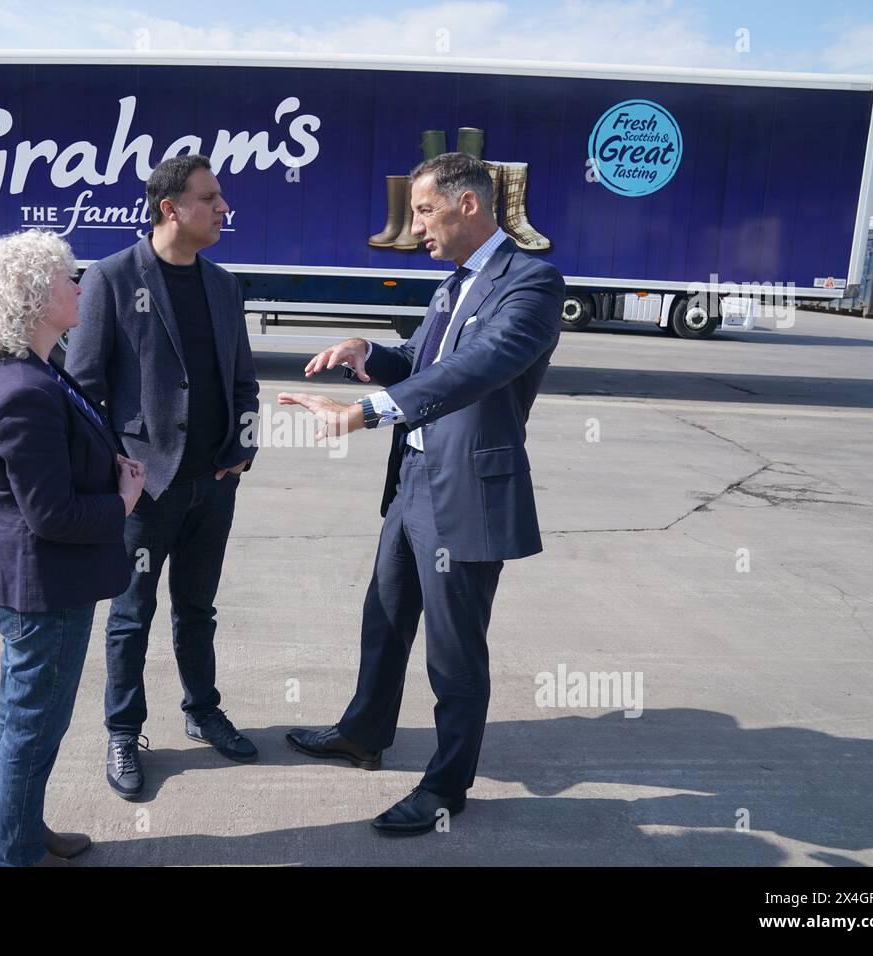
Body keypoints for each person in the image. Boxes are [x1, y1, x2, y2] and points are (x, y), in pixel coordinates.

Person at [279, 152, 565, 835]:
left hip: (464, 490)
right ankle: (363, 733)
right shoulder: (452, 284)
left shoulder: (532, 282)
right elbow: (425, 365)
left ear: (470, 204)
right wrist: (368, 354)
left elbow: (479, 368)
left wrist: (368, 410)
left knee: (453, 650)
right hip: (412, 482)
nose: (415, 229)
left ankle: (445, 786)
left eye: (425, 211)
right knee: (383, 616)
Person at [65, 154, 261, 800]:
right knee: (130, 616)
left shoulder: (224, 285)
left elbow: (244, 383)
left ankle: (202, 709)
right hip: (146, 490)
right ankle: (124, 729)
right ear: (170, 207)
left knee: (198, 609)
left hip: (215, 483)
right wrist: (112, 477)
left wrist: (244, 449)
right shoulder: (115, 279)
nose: (223, 208)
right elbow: (85, 389)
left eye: (221, 197)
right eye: (210, 198)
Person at [0, 229, 145, 865]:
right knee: (31, 728)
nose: (80, 285)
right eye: (69, 278)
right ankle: (12, 854)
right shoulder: (23, 389)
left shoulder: (38, 369)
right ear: (38, 297)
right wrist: (121, 502)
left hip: (38, 580)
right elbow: (51, 514)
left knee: (22, 722)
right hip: (44, 588)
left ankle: (19, 829)